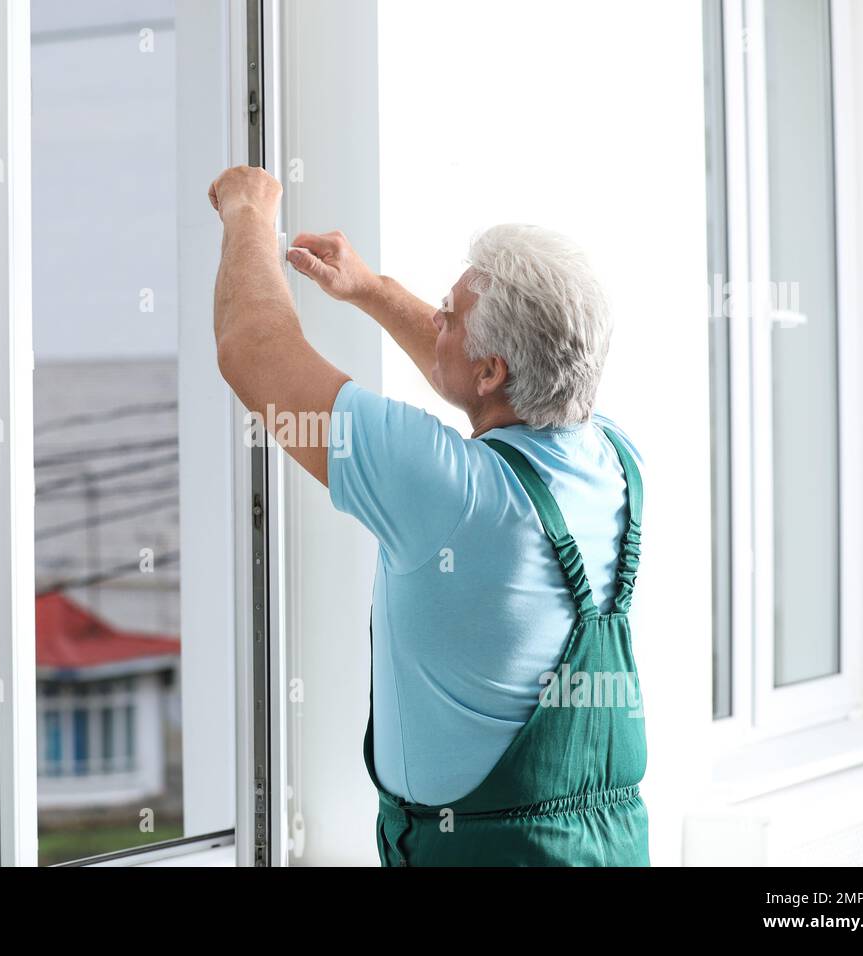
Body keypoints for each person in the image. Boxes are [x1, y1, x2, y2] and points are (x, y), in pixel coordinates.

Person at [209, 165, 648, 866]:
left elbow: (253, 352)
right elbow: (475, 376)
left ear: (494, 372)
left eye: (448, 313)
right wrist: (371, 290)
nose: (435, 319)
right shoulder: (615, 457)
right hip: (610, 843)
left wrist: (248, 214)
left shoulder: (459, 494)